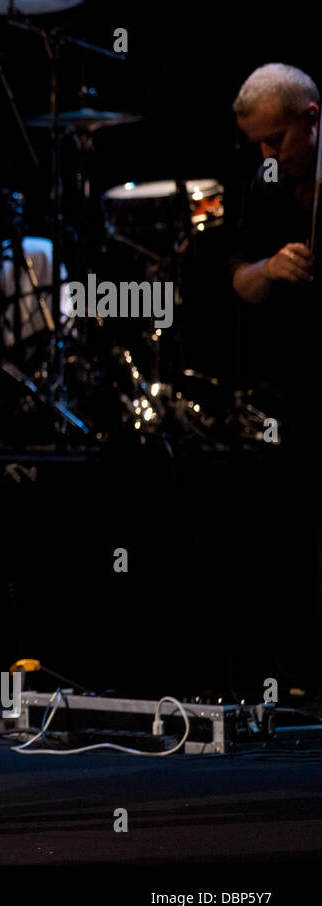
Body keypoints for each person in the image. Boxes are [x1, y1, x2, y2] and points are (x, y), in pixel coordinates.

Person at [228, 62, 321, 705]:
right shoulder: (265, 178)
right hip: (296, 379)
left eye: (276, 140)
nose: (267, 155)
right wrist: (269, 266)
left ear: (311, 120)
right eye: (258, 143)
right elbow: (239, 275)